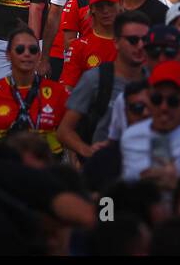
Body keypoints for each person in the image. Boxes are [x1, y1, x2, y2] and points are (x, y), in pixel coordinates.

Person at [0, 25, 69, 155]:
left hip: (47, 170)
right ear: (8, 55)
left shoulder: (58, 93)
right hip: (6, 169)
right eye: (19, 49)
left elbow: (73, 133)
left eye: (33, 49)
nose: (26, 54)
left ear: (39, 55)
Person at [59, 11, 151, 158]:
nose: (140, 45)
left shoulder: (154, 81)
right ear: (116, 42)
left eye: (145, 40)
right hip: (104, 172)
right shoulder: (94, 79)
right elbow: (64, 131)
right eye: (133, 40)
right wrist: (86, 152)